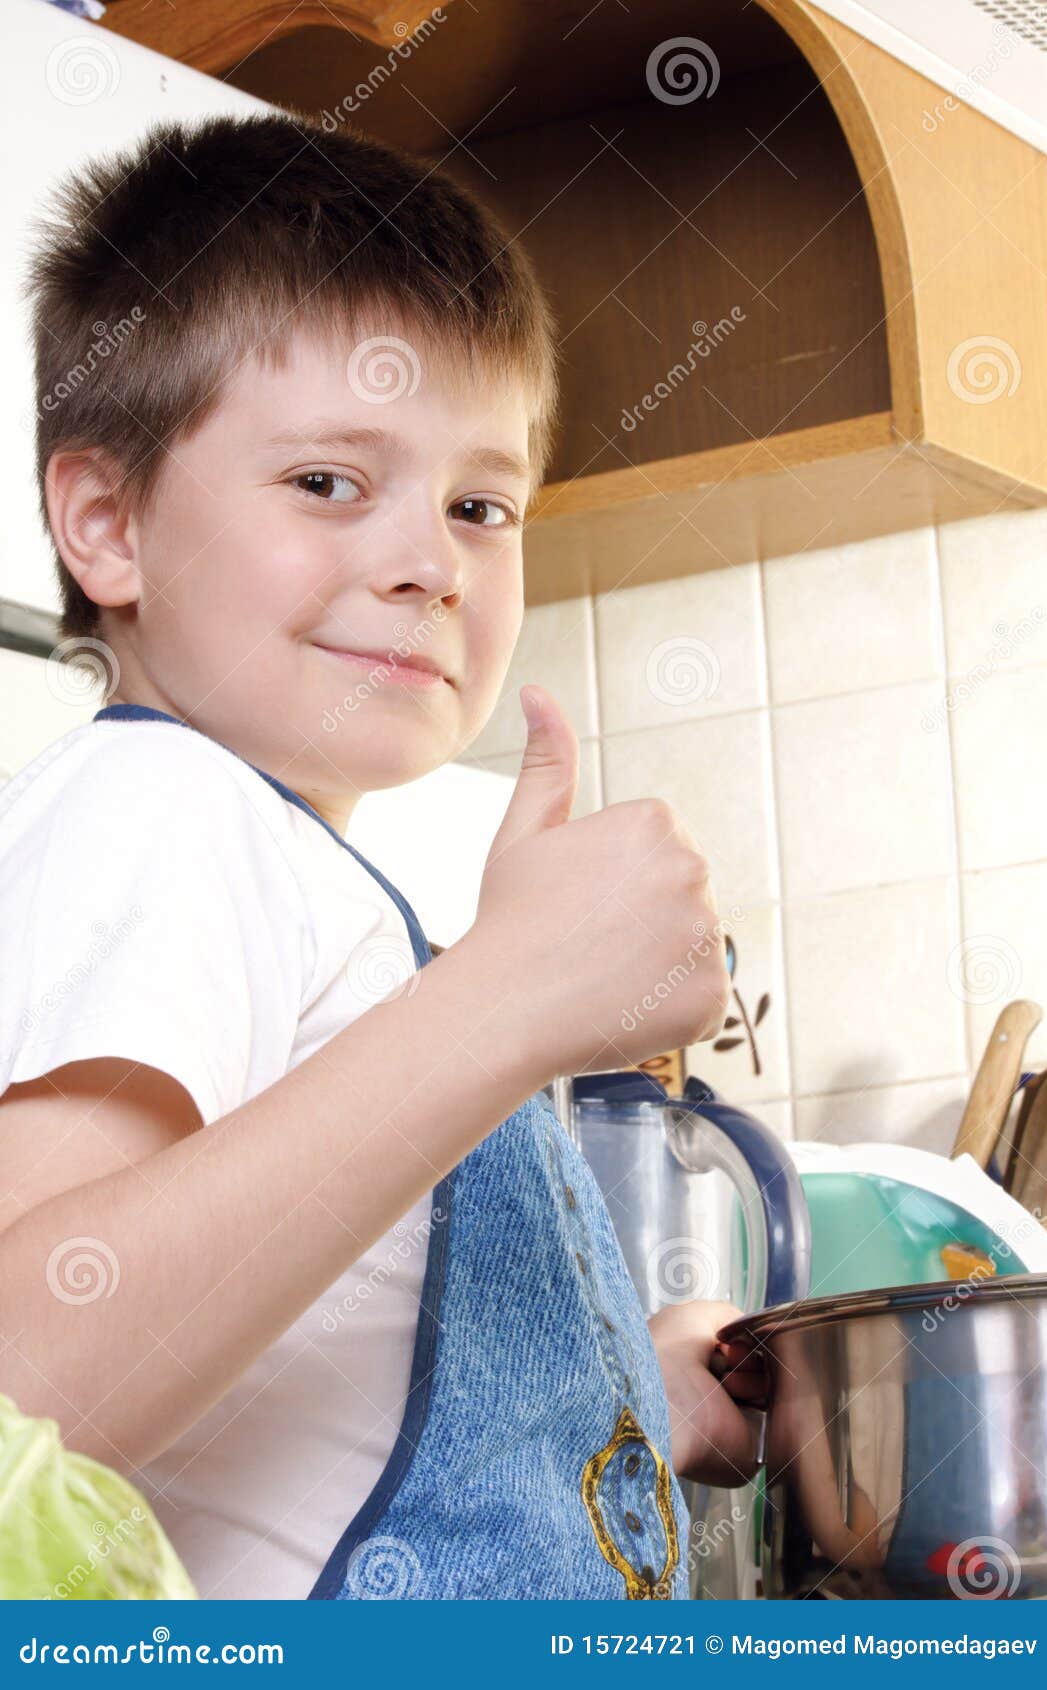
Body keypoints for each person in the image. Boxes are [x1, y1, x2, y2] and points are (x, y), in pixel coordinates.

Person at [0, 112, 758, 1601]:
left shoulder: (298, 868)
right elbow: (30, 1382)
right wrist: (507, 999)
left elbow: (317, 1385)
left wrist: (617, 1389)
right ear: (108, 523)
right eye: (331, 484)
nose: (432, 560)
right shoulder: (162, 805)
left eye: (482, 504)